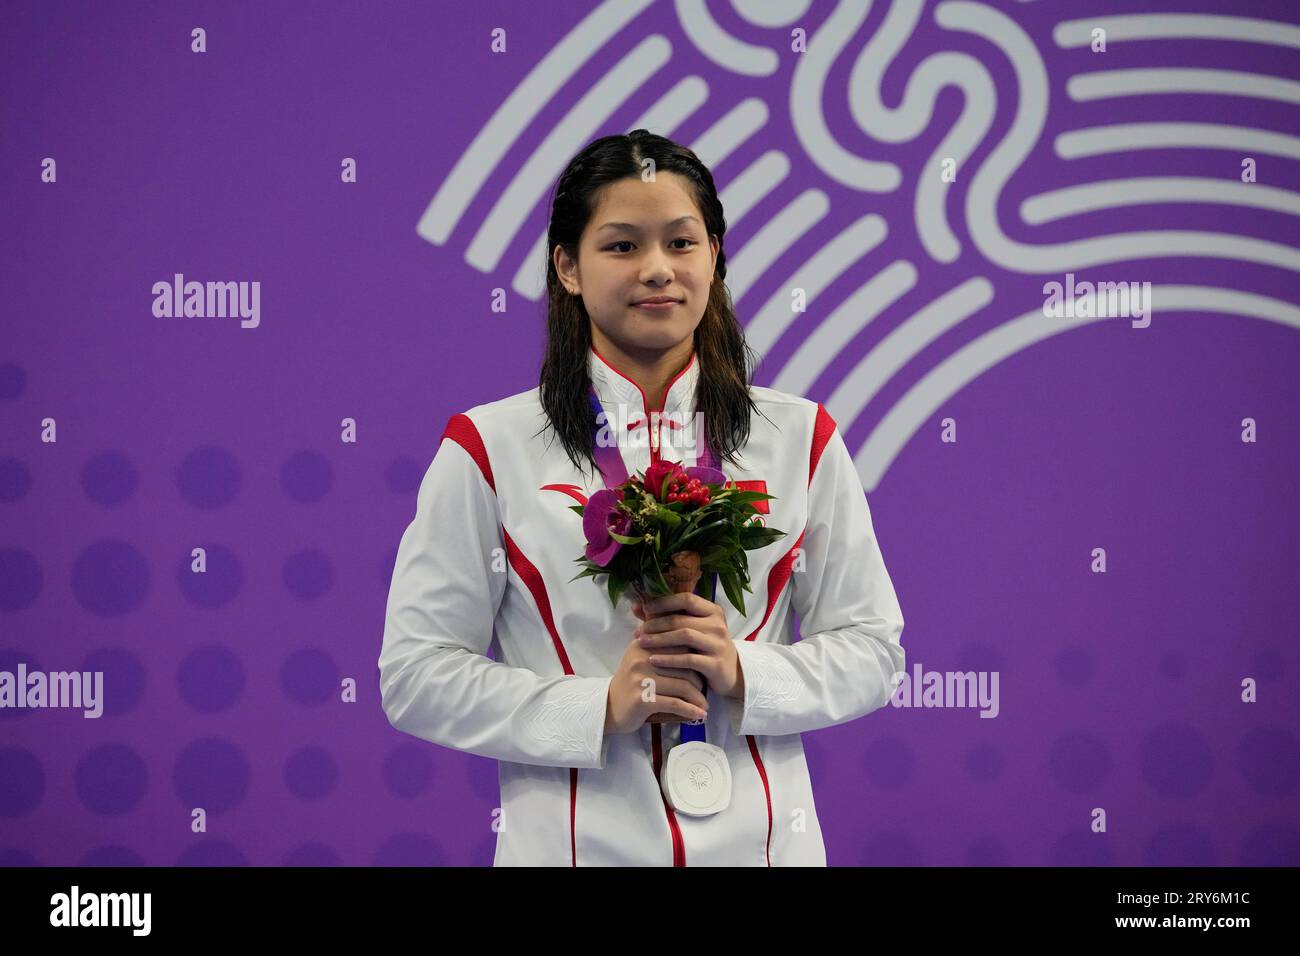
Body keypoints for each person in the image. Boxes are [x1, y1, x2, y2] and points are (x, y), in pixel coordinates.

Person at [378, 129, 905, 866]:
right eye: (622, 246)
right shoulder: (488, 448)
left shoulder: (802, 436)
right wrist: (598, 708)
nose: (658, 270)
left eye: (682, 243)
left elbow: (875, 653)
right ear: (567, 266)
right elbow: (416, 675)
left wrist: (743, 670)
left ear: (714, 257)